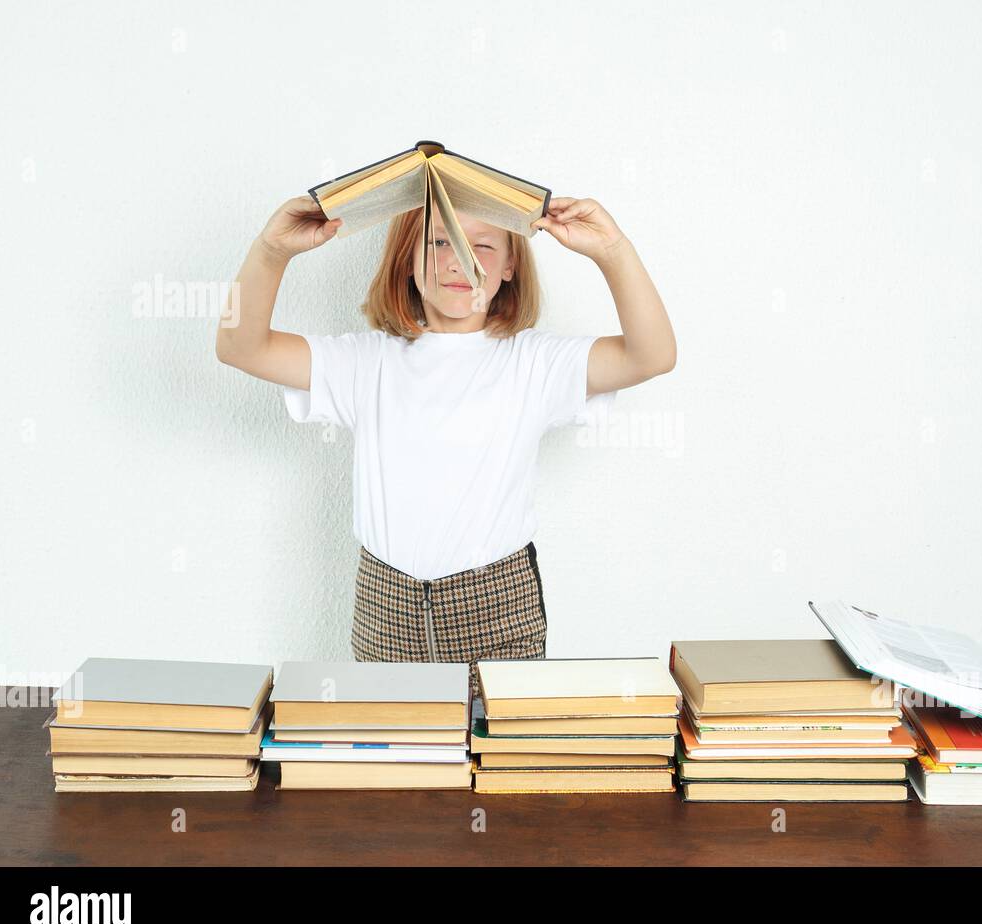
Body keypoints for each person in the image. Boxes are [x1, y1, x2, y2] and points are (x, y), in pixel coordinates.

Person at [215, 193, 675, 697]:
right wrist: (270, 251)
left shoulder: (533, 363)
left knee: (493, 767)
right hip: (385, 608)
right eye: (438, 242)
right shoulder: (366, 362)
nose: (460, 260)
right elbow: (240, 346)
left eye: (483, 244)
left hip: (497, 612)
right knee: (392, 765)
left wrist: (612, 250)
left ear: (510, 265)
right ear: (407, 260)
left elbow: (652, 354)